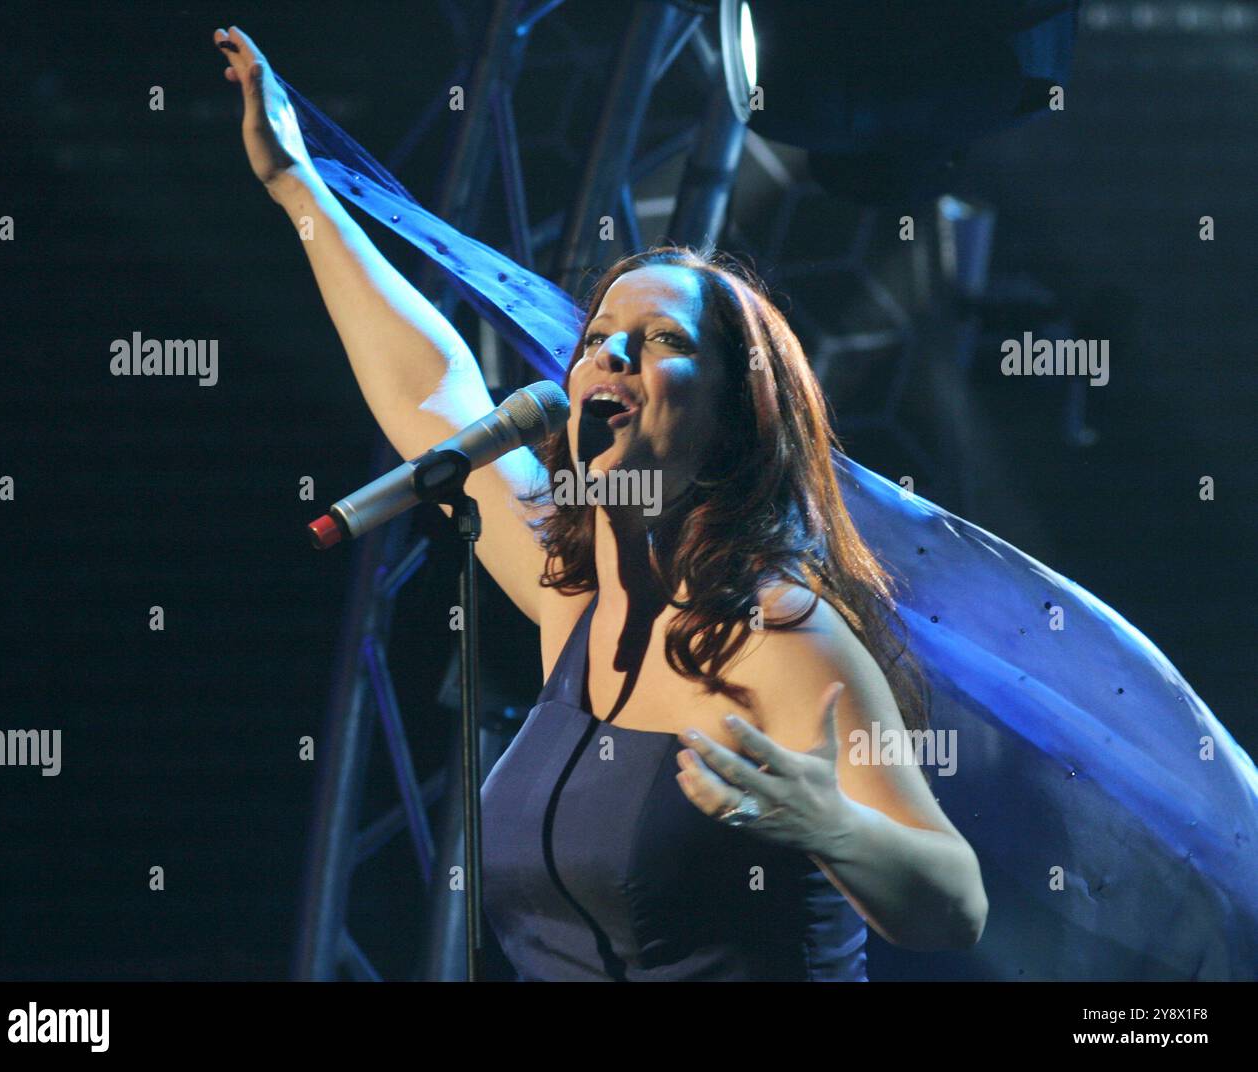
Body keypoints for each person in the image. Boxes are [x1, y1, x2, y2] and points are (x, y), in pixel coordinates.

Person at [214, 24, 989, 981]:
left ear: (734, 417)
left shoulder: (780, 638)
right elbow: (431, 390)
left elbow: (956, 903)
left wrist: (829, 825)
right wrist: (297, 188)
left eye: (661, 339)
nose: (609, 355)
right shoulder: (576, 600)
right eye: (597, 337)